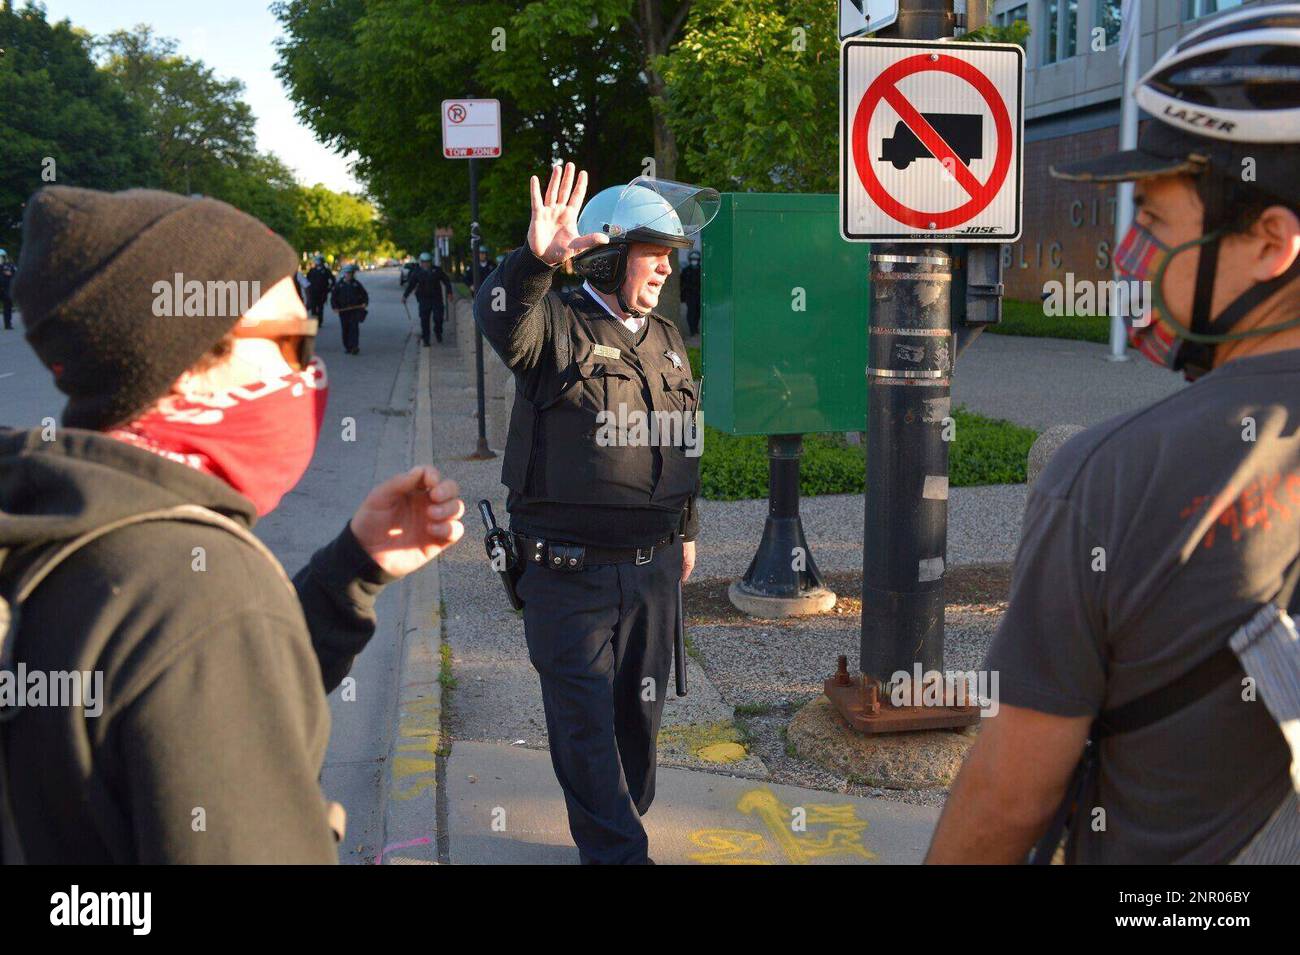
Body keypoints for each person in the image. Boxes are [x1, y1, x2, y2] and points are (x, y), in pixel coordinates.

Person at [926, 5, 1300, 865]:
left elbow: (1008, 797)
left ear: (1272, 243)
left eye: (1160, 223)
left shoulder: (1109, 474)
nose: (1131, 255)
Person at [0, 186, 465, 863]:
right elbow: (199, 652)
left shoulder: (54, 514)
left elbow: (196, 699)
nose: (309, 370)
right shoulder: (198, 585)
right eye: (287, 343)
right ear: (185, 364)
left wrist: (350, 572)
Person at [474, 162, 718, 864]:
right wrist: (531, 263)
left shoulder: (667, 337)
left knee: (636, 725)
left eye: (672, 254)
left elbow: (683, 436)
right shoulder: (555, 326)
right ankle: (617, 850)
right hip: (568, 577)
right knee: (584, 729)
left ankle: (618, 818)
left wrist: (687, 528)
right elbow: (501, 320)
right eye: (655, 253)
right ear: (610, 257)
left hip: (653, 574)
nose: (667, 268)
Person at [403, 251, 453, 346]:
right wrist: (405, 296)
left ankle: (438, 332)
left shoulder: (437, 270)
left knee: (438, 318)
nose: (425, 264)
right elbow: (411, 285)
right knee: (424, 320)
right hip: (423, 299)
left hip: (436, 299)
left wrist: (449, 292)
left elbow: (446, 280)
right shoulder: (417, 272)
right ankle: (426, 340)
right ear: (420, 262)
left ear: (431, 262)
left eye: (427, 262)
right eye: (423, 262)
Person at [330, 263, 369, 355]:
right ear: (344, 274)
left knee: (354, 328)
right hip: (343, 311)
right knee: (346, 329)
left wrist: (364, 303)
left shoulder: (356, 284)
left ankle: (354, 346)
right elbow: (333, 298)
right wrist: (335, 307)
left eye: (351, 273)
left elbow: (364, 295)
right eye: (348, 273)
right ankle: (347, 346)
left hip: (354, 310)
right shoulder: (339, 285)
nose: (349, 275)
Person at [305, 254, 334, 327]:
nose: (317, 262)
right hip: (313, 292)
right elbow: (307, 280)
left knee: (320, 307)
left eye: (318, 261)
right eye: (316, 261)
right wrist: (308, 288)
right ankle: (314, 321)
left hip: (322, 292)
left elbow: (333, 280)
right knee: (313, 307)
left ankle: (319, 321)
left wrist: (329, 289)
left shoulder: (326, 271)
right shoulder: (312, 270)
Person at [680, 249, 701, 336]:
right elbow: (681, 284)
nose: (694, 261)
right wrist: (683, 296)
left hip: (699, 294)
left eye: (696, 259)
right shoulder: (686, 270)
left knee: (697, 312)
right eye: (692, 259)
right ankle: (692, 330)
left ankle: (696, 328)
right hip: (689, 295)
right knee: (691, 312)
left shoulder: (701, 270)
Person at [0, 250, 15, 330]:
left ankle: (8, 323)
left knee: (8, 306)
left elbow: (15, 273)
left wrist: (10, 272)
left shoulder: (9, 265)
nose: (1, 259)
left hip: (6, 289)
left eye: (2, 257)